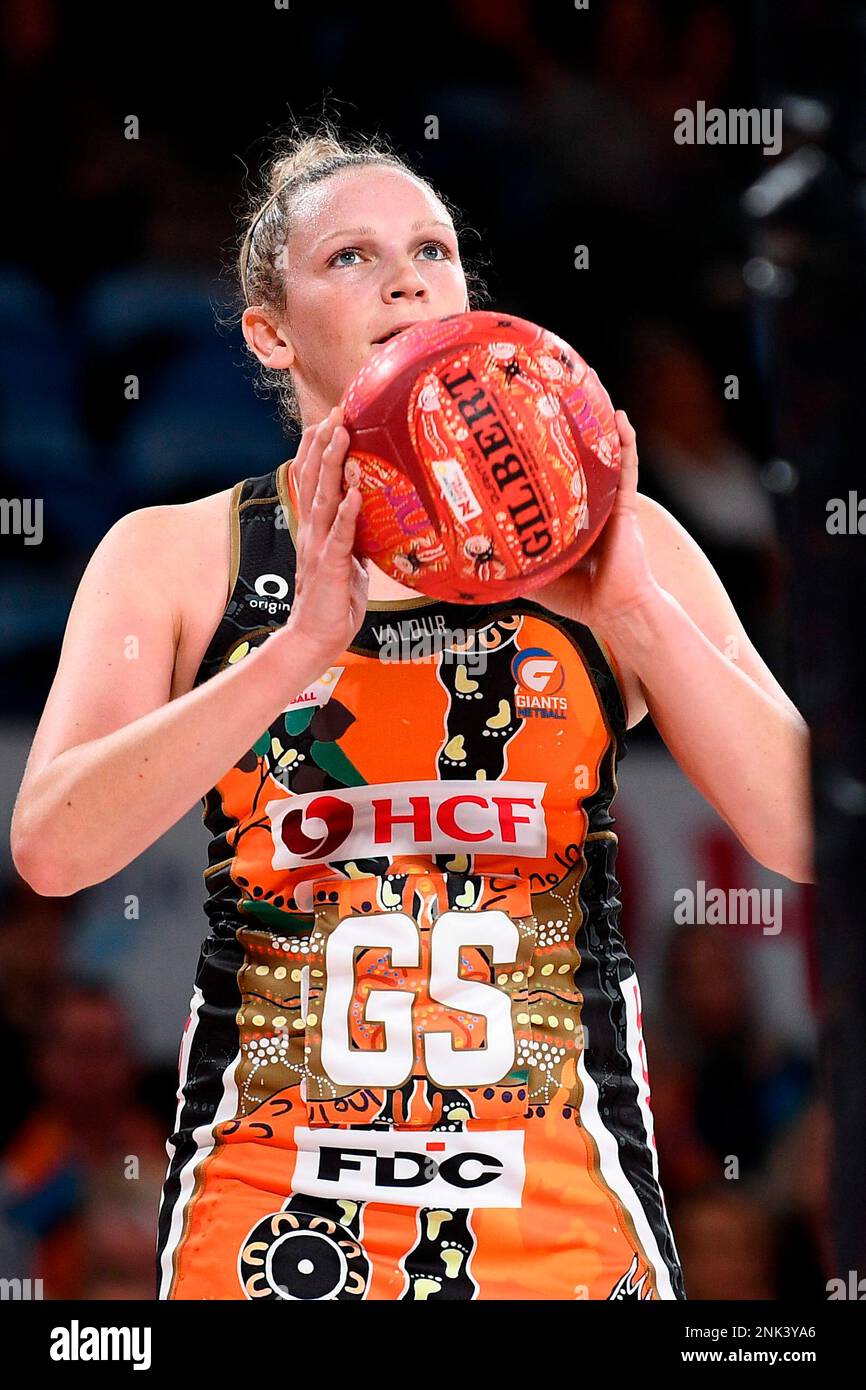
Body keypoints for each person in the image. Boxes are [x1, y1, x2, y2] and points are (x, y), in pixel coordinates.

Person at [9, 123, 814, 1301]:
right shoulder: (174, 555)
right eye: (350, 257)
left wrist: (636, 615)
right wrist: (294, 651)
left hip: (560, 1217)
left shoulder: (614, 540)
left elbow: (805, 838)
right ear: (269, 333)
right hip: (273, 1212)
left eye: (432, 250)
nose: (405, 279)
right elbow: (53, 847)